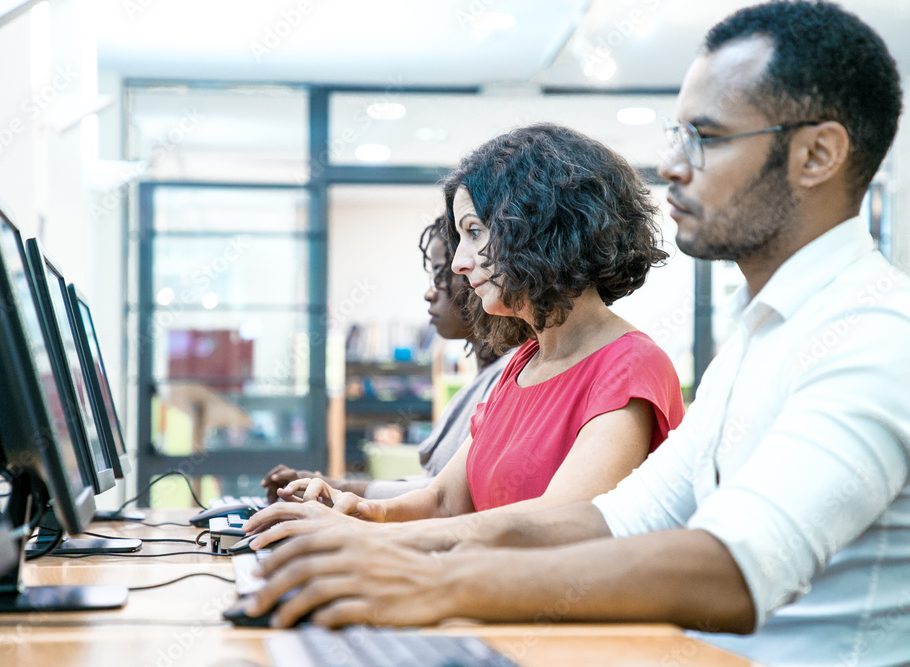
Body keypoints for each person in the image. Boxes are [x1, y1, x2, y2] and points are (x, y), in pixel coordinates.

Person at [238, 3, 910, 666]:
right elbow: (608, 519)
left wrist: (434, 580)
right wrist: (370, 544)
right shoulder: (761, 337)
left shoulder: (876, 334)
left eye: (705, 137)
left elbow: (734, 565)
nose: (673, 164)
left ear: (817, 153)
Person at [246, 123, 684, 538]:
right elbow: (443, 501)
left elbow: (564, 520)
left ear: (543, 229)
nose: (459, 262)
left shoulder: (630, 365)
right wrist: (354, 509)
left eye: (474, 232)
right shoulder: (522, 364)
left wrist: (368, 536)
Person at [260, 217, 518, 502]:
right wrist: (326, 486)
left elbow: (445, 496)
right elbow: (433, 485)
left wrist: (334, 487)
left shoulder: (512, 376)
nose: (429, 293)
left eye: (439, 275)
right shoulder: (486, 377)